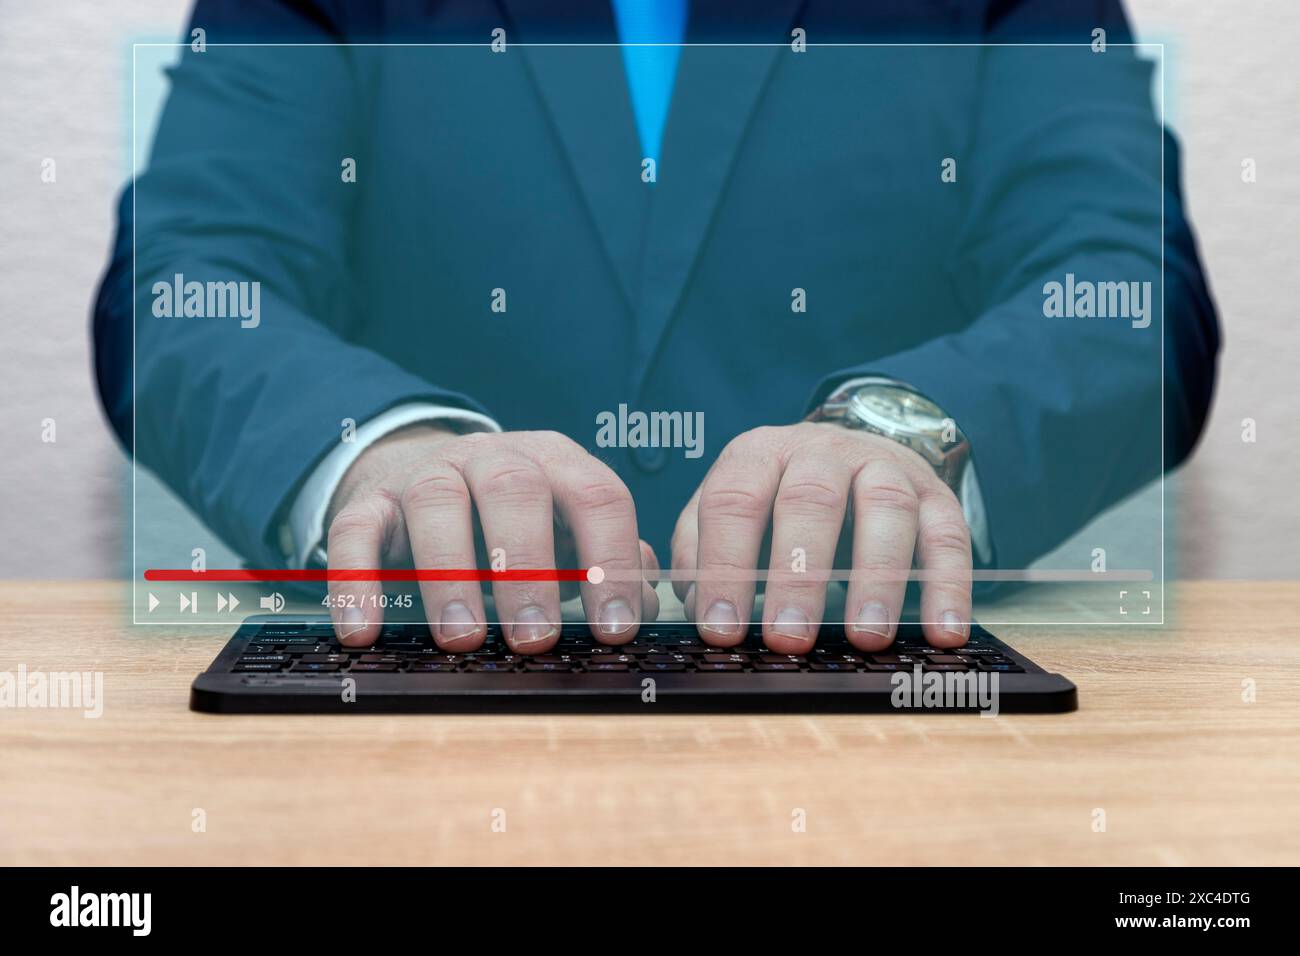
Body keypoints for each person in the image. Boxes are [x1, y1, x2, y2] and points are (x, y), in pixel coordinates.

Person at [93, 0, 1219, 656]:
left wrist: (902, 436)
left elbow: (1126, 287)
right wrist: (382, 453)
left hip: (888, 718)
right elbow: (182, 281)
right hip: (410, 721)